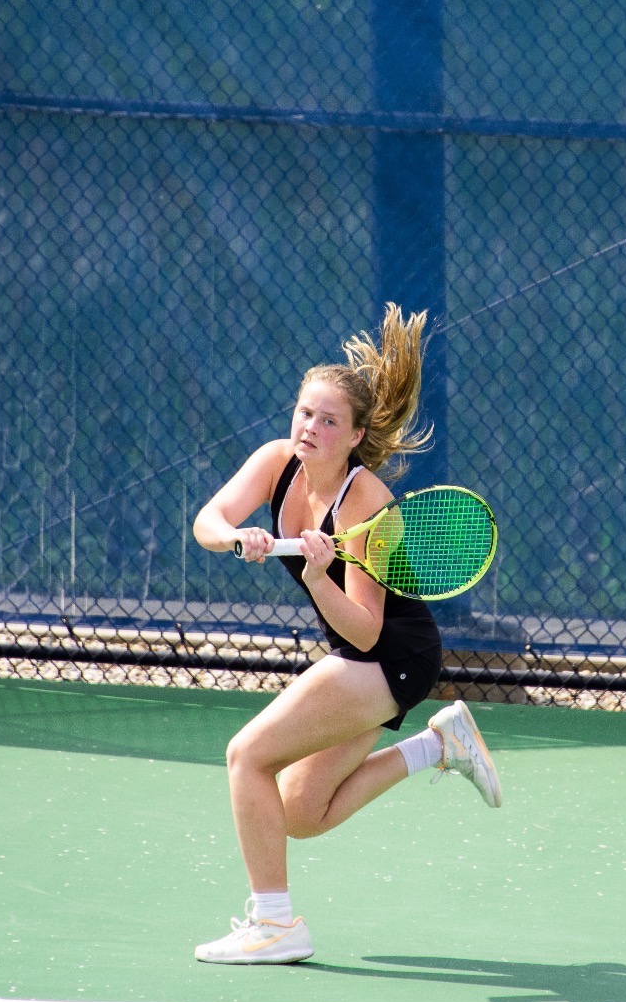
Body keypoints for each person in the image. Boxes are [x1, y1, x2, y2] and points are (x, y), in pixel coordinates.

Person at [188, 304, 501, 964]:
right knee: (300, 811)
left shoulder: (368, 506)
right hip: (356, 653)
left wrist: (324, 572)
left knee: (247, 755)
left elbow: (364, 626)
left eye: (328, 420)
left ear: (355, 435)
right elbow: (207, 518)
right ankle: (439, 746)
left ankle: (273, 924)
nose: (311, 426)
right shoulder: (277, 463)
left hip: (392, 655)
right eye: (305, 412)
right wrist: (236, 537)